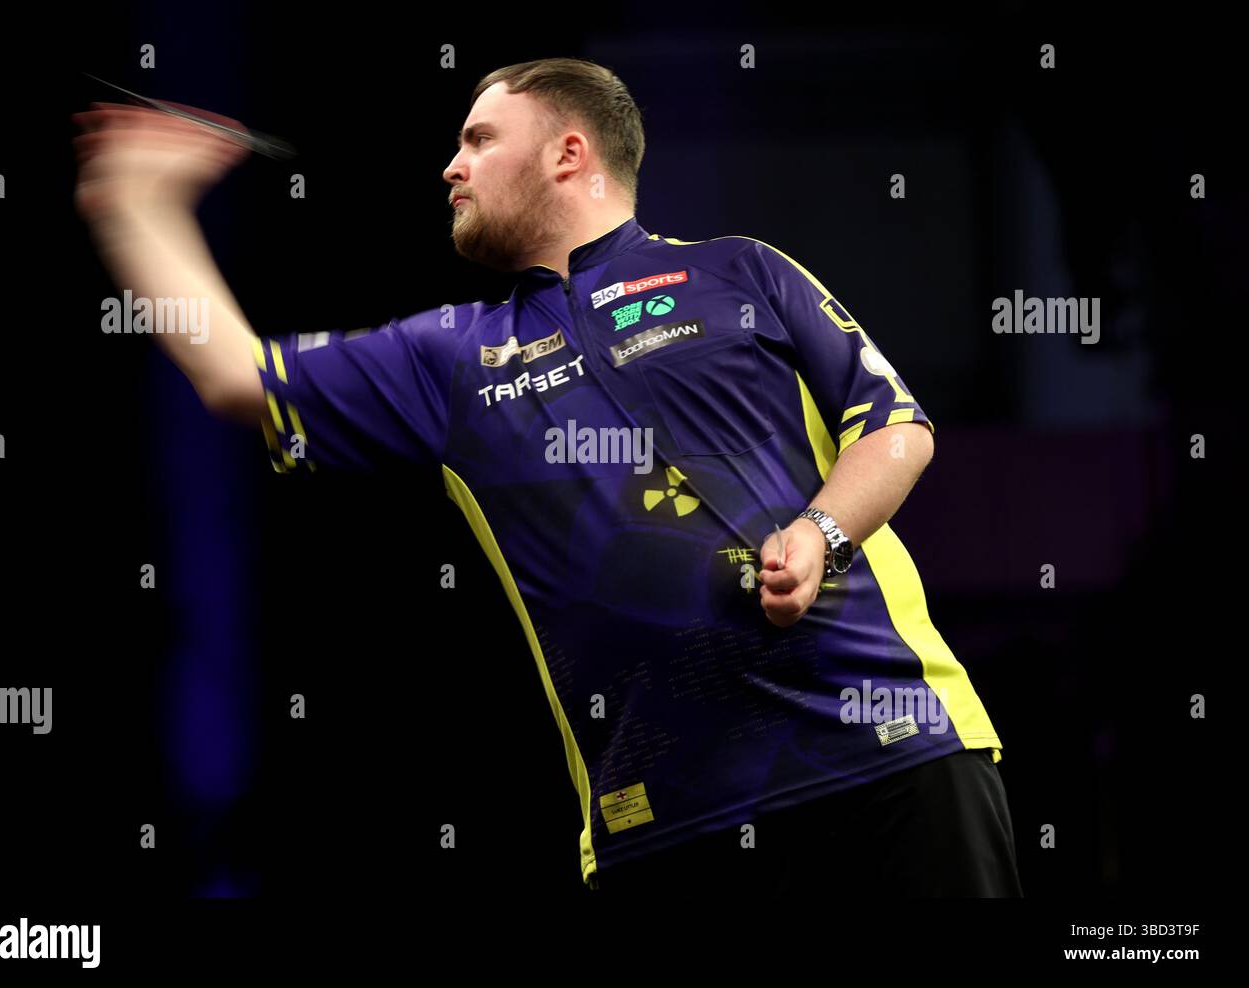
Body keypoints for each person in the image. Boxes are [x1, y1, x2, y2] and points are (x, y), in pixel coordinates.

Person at [73, 56, 1021, 896]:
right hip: (662, 824)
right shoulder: (445, 356)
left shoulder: (743, 273)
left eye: (479, 139)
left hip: (893, 757)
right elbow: (236, 376)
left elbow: (896, 428)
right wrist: (136, 208)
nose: (450, 167)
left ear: (569, 153)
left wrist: (819, 535)